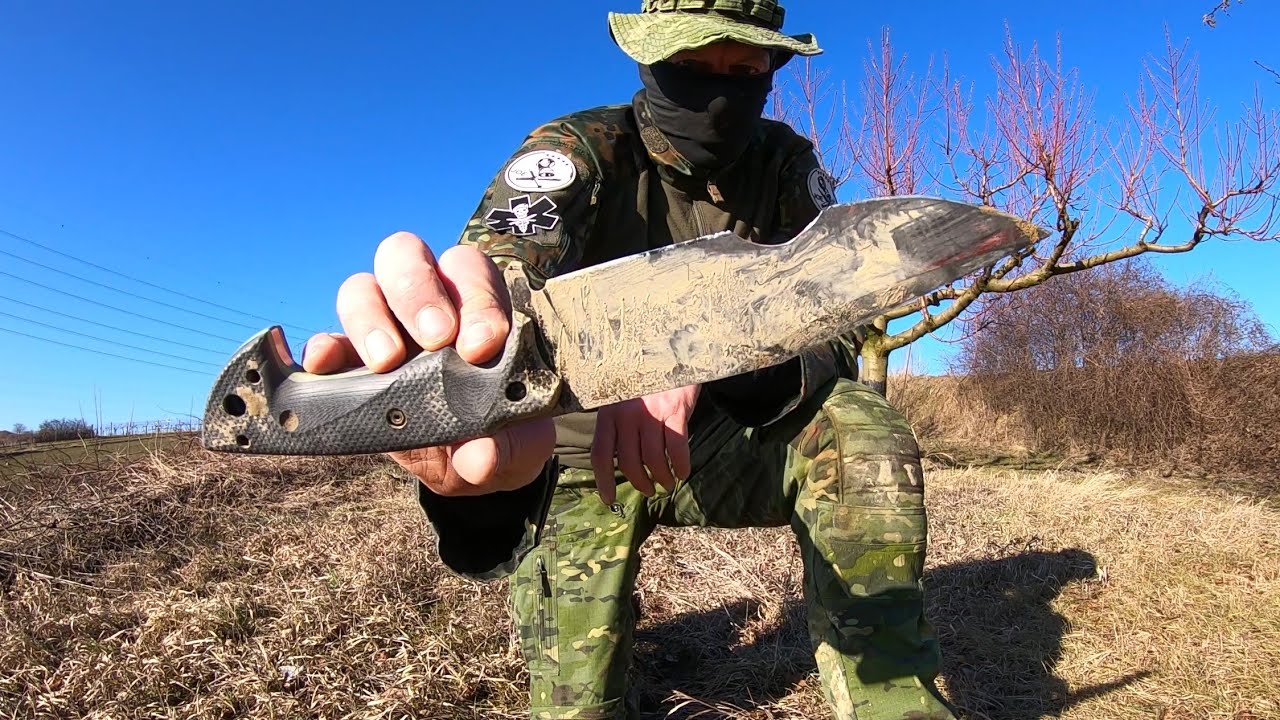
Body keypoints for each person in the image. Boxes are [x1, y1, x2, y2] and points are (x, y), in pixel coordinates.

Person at [302, 2, 957, 718]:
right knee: (578, 707)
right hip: (575, 458)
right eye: (691, 66)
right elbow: (503, 286)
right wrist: (474, 371)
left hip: (725, 446)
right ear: (647, 62)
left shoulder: (783, 165)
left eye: (744, 72)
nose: (718, 94)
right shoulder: (577, 152)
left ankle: (892, 699)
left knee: (858, 423)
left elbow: (836, 330)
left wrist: (707, 361)